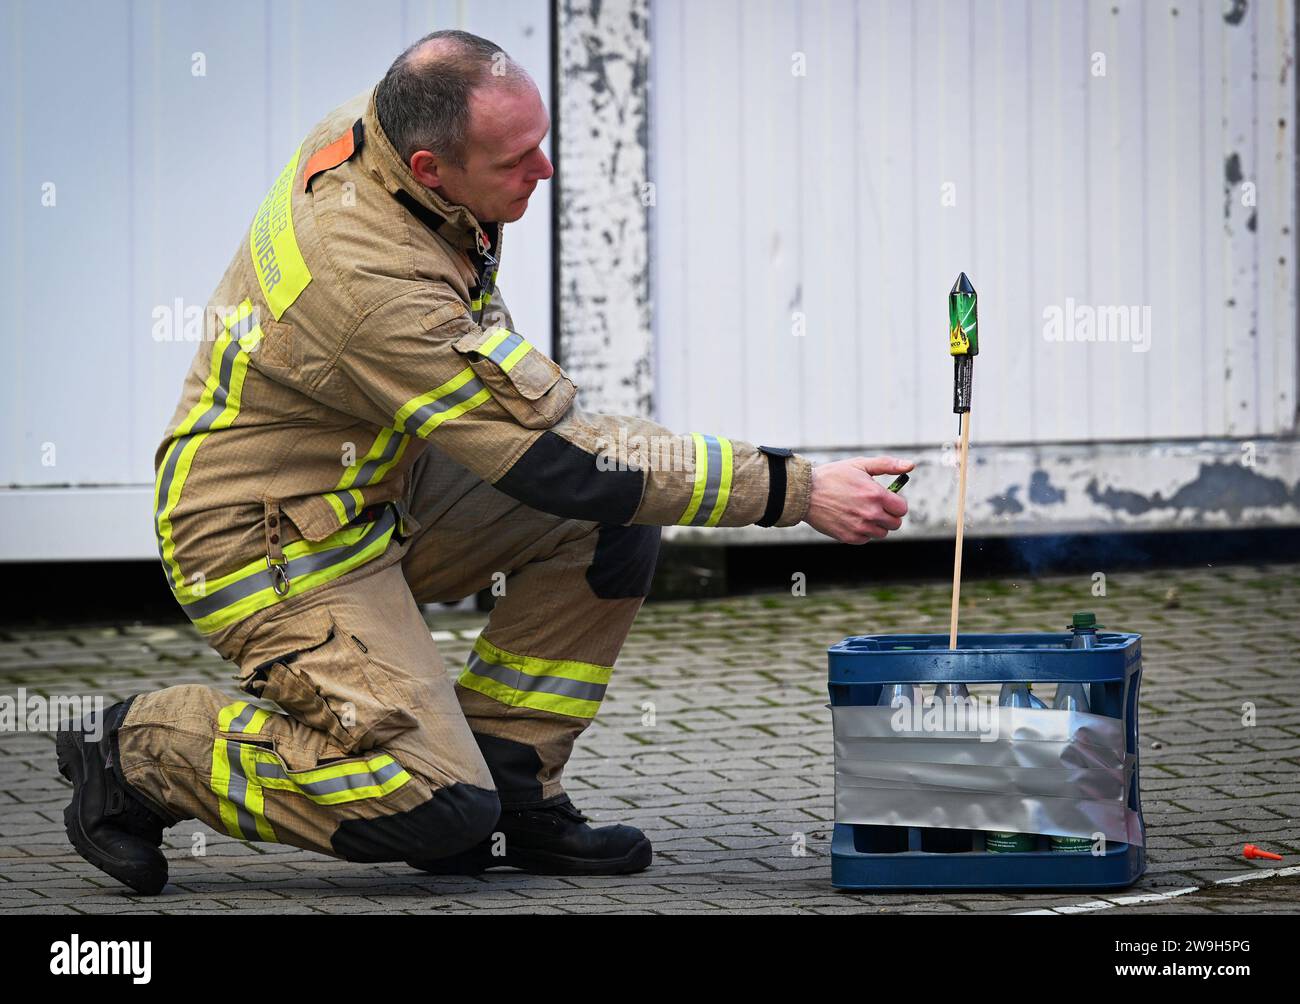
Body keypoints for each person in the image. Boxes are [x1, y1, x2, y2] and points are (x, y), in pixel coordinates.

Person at [56, 29, 913, 895]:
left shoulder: (377, 133)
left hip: (377, 482)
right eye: (517, 158)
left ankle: (514, 792)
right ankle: (142, 750)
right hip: (265, 539)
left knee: (617, 522)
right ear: (429, 168)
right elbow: (559, 457)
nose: (544, 170)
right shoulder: (368, 282)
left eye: (539, 142)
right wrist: (792, 490)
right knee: (432, 806)